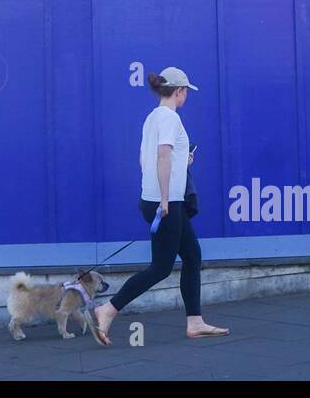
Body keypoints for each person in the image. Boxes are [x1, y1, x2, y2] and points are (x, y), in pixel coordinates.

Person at [91, 66, 228, 346]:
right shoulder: (170, 119)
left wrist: (181, 163)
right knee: (161, 268)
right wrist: (165, 199)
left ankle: (195, 321)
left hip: (157, 199)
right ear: (179, 91)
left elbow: (146, 160)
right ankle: (108, 309)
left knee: (192, 256)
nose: (186, 96)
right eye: (186, 91)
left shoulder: (152, 117)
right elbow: (163, 155)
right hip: (166, 203)